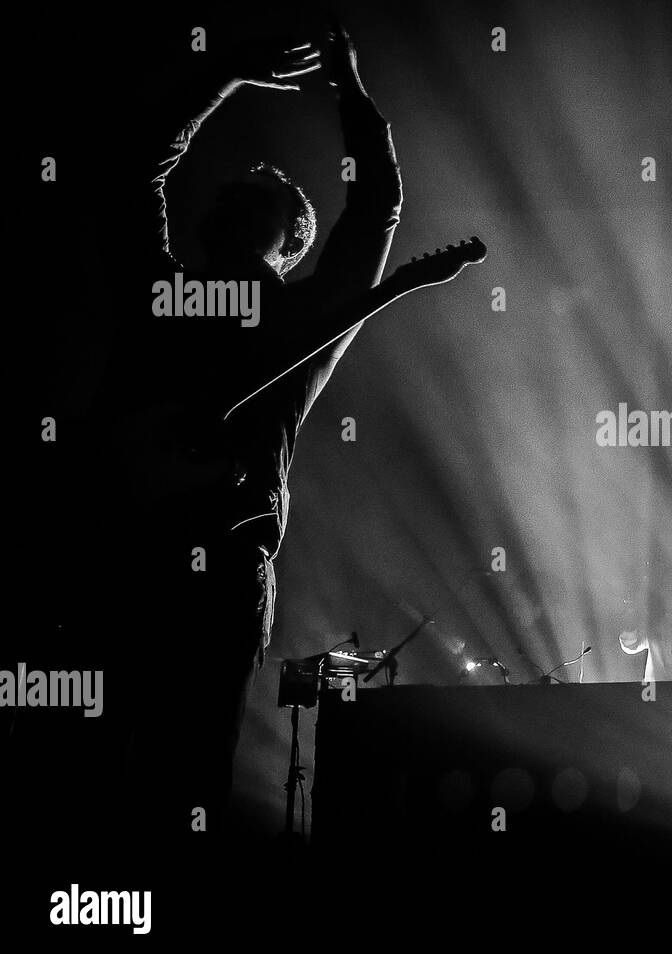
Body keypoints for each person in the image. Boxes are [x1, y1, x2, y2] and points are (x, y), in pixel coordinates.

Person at [58, 23, 402, 847]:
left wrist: (349, 87)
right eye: (241, 183)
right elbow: (134, 168)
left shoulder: (303, 321)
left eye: (270, 189)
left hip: (212, 572)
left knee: (180, 784)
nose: (249, 181)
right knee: (76, 773)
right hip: (113, 553)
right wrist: (223, 77)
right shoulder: (162, 292)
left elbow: (377, 208)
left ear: (291, 241)